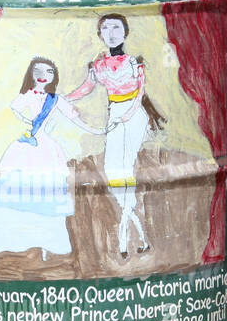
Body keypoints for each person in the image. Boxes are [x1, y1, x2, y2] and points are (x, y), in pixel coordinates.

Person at [0, 57, 102, 258]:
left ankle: (47, 244)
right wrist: (27, 122)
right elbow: (15, 109)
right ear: (31, 74)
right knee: (15, 189)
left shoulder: (56, 99)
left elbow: (76, 119)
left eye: (49, 72)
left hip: (47, 149)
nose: (43, 76)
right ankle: (12, 240)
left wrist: (98, 131)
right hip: (26, 146)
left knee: (48, 192)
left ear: (54, 76)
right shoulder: (26, 95)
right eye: (38, 71)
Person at [64, 13, 166, 258]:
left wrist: (127, 114)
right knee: (112, 170)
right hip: (115, 114)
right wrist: (63, 100)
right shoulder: (98, 65)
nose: (111, 33)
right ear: (100, 34)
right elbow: (86, 88)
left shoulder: (134, 62)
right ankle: (139, 233)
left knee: (125, 168)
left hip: (134, 114)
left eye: (116, 27)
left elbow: (140, 93)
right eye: (106, 28)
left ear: (125, 32)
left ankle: (123, 238)